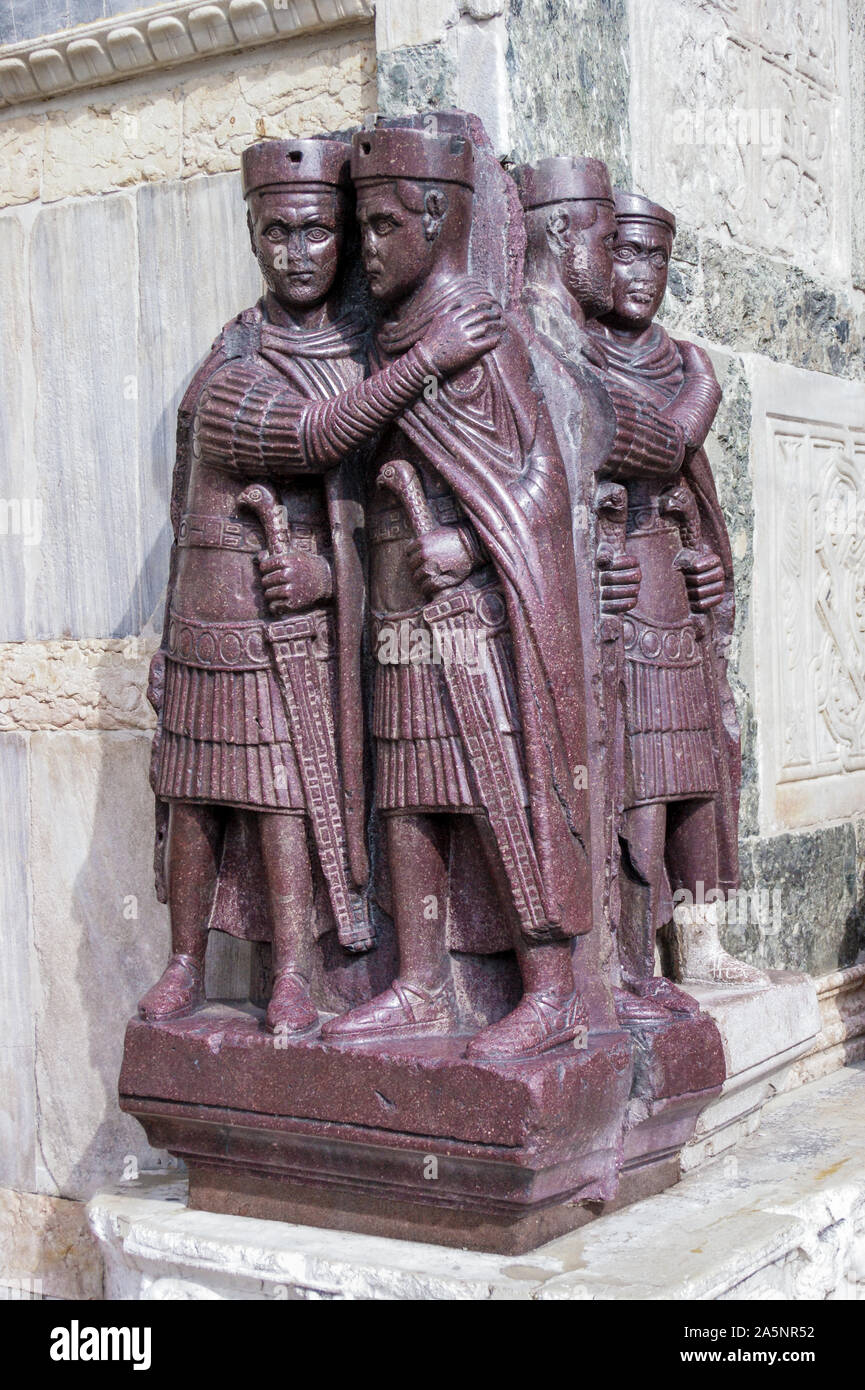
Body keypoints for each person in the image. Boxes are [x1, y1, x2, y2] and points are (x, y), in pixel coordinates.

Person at [139, 136, 502, 1035]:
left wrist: (328, 571)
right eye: (277, 233)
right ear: (251, 236)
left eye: (316, 232)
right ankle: (184, 961)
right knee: (195, 794)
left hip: (302, 623)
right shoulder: (235, 357)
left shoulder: (362, 349)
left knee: (283, 793)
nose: (297, 252)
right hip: (213, 603)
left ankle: (298, 971)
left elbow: (375, 496)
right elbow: (308, 438)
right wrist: (429, 358)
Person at [321, 125, 594, 1060]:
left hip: (475, 612)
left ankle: (551, 989)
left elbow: (542, 483)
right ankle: (420, 984)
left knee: (500, 788)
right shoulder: (392, 340)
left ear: (439, 219)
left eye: (385, 225)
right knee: (408, 794)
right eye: (361, 227)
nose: (367, 248)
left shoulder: (483, 335)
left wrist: (471, 544)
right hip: (401, 609)